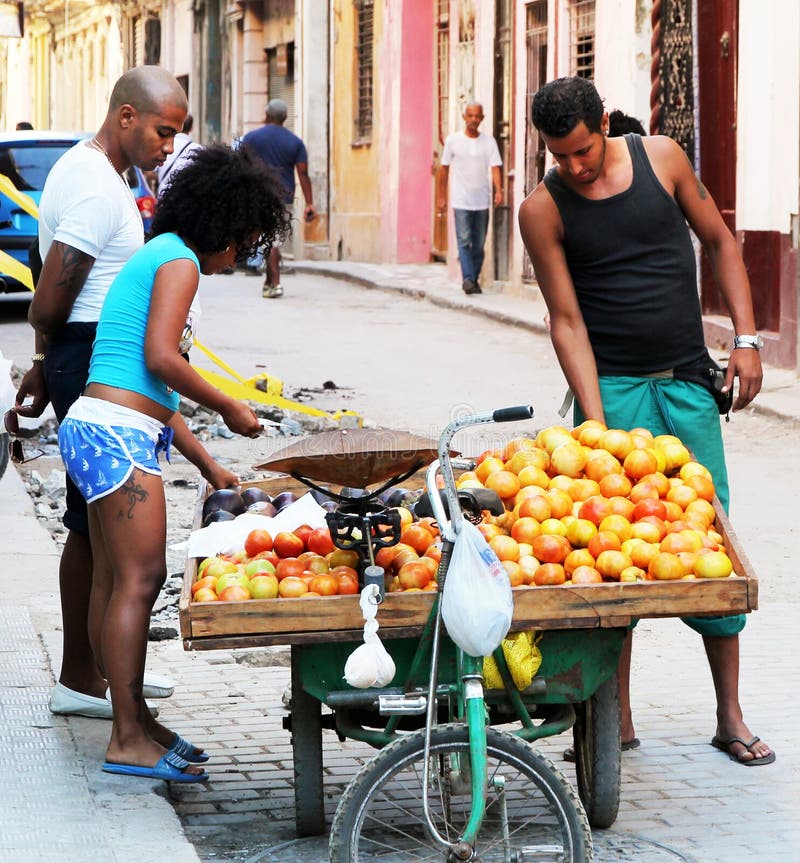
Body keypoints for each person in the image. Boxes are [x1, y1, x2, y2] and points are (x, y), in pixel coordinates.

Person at [519, 76, 774, 767]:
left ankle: (729, 715)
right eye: (559, 156)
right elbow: (566, 320)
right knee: (611, 554)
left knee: (711, 540)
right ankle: (615, 720)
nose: (574, 166)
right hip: (614, 392)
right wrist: (596, 424)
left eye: (582, 150)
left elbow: (719, 241)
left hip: (688, 384)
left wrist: (747, 339)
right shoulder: (541, 209)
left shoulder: (662, 158)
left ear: (604, 123)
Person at [57, 143, 289, 781]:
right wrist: (231, 405)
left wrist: (208, 463)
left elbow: (152, 387)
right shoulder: (181, 262)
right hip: (117, 436)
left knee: (112, 581)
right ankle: (127, 737)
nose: (239, 257)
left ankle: (134, 721)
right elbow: (162, 359)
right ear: (226, 227)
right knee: (141, 579)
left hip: (100, 426)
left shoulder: (159, 254)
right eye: (245, 243)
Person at [13, 66, 235, 722]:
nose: (169, 146)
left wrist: (43, 361)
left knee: (96, 530)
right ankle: (90, 677)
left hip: (80, 351)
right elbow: (49, 294)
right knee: (99, 534)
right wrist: (52, 356)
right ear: (126, 116)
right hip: (89, 353)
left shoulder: (105, 174)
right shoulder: (96, 187)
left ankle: (105, 667)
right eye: (163, 131)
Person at [241, 98, 316, 298]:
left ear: (267, 115)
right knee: (273, 239)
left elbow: (240, 167)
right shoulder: (295, 142)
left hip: (258, 196)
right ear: (285, 117)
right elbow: (303, 173)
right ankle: (270, 282)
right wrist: (309, 203)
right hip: (283, 198)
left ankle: (275, 283)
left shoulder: (251, 138)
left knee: (269, 240)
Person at [436, 102, 503, 295]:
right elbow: (443, 169)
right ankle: (468, 279)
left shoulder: (489, 142)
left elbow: (495, 167)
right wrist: (441, 197)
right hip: (461, 200)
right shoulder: (453, 141)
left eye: (477, 116)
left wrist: (498, 190)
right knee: (464, 240)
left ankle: (472, 278)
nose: (473, 120)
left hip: (482, 201)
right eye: (470, 116)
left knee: (479, 244)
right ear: (464, 117)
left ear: (482, 118)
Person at [155, 113, 201, 199]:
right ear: (191, 128)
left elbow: (151, 172)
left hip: (162, 197)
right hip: (185, 199)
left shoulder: (164, 145)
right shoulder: (198, 149)